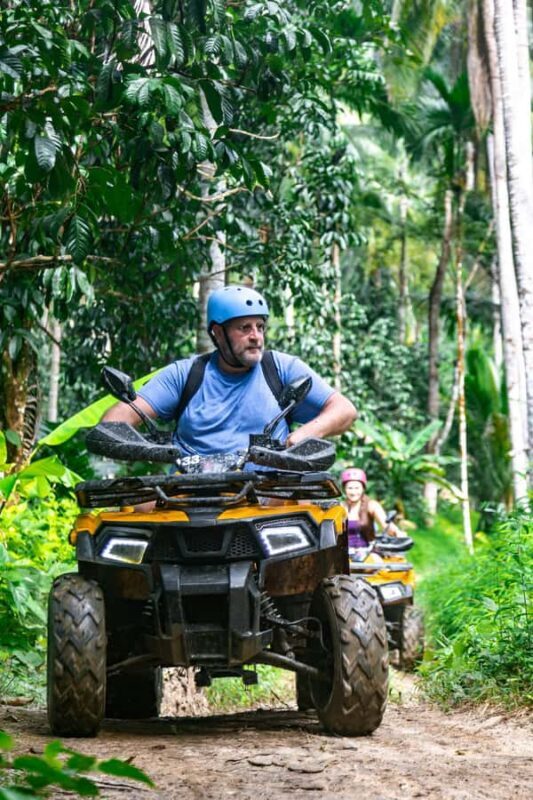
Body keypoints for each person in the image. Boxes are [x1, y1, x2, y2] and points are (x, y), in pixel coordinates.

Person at [103, 285, 357, 457]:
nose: (256, 336)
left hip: (270, 492)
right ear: (217, 332)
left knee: (317, 517)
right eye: (244, 328)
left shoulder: (280, 368)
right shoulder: (185, 374)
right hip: (190, 494)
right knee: (131, 516)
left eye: (260, 327)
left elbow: (344, 410)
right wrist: (141, 448)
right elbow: (116, 419)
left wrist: (303, 435)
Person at [341, 467, 403, 549]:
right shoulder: (340, 506)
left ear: (363, 489)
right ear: (344, 489)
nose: (353, 492)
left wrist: (397, 532)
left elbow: (386, 524)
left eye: (357, 488)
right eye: (350, 488)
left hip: (366, 552)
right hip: (342, 553)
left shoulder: (371, 505)